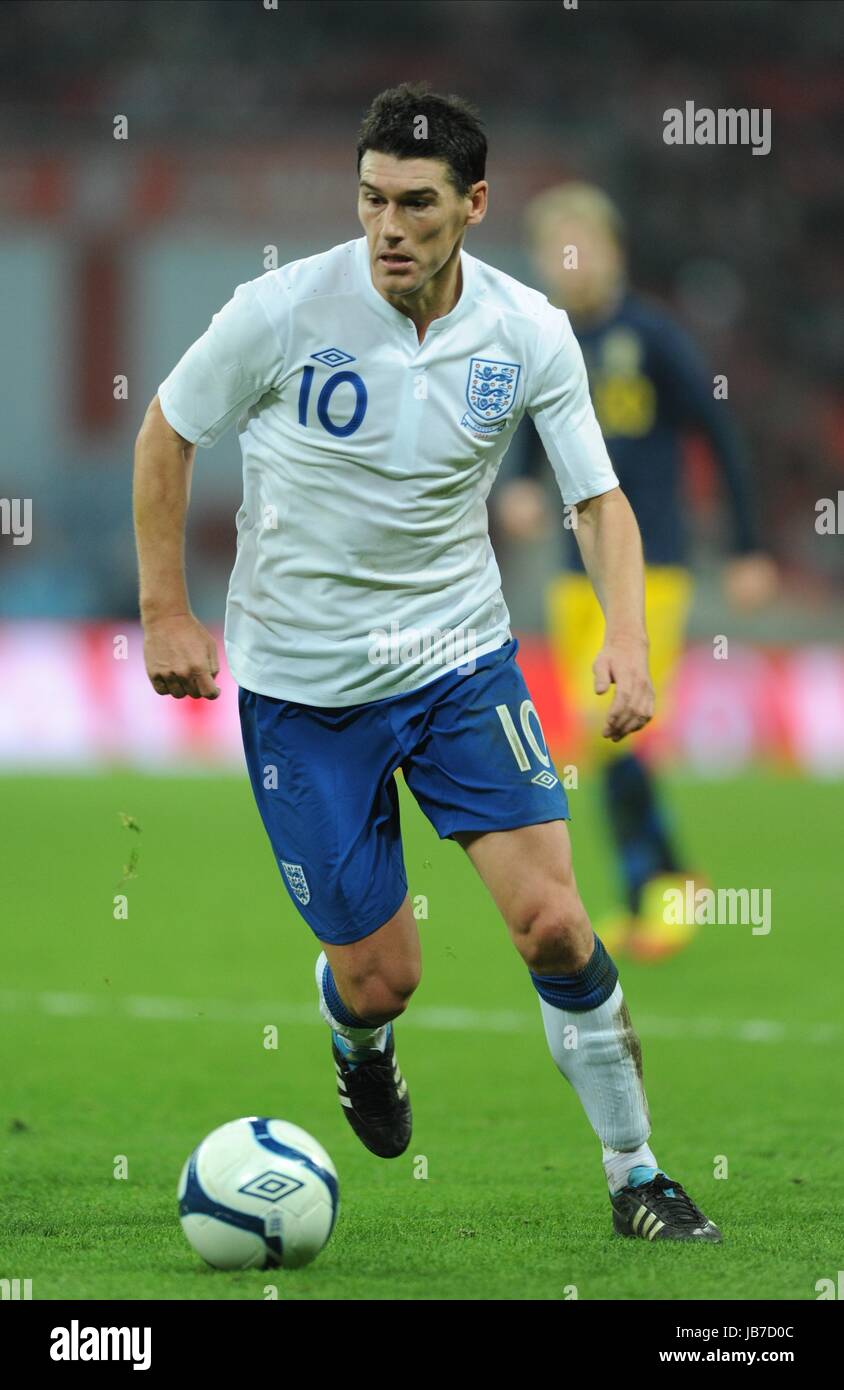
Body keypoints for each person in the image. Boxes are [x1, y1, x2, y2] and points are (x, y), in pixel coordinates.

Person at [133, 84, 720, 1242]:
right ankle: (360, 1042)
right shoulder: (282, 310)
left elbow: (595, 501)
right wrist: (165, 610)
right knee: (380, 976)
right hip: (306, 693)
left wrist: (629, 644)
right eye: (369, 200)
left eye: (413, 203)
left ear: (474, 206)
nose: (386, 227)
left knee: (553, 921)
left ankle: (637, 1174)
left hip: (459, 665)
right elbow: (167, 430)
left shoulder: (527, 330)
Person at [497, 183, 776, 961]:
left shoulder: (651, 335)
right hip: (570, 569)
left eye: (578, 246)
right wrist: (520, 484)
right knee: (601, 741)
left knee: (625, 730)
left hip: (650, 563)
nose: (566, 263)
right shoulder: (546, 340)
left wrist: (749, 547)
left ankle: (658, 895)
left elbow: (717, 430)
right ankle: (667, 879)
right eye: (554, 250)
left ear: (610, 252)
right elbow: (533, 422)